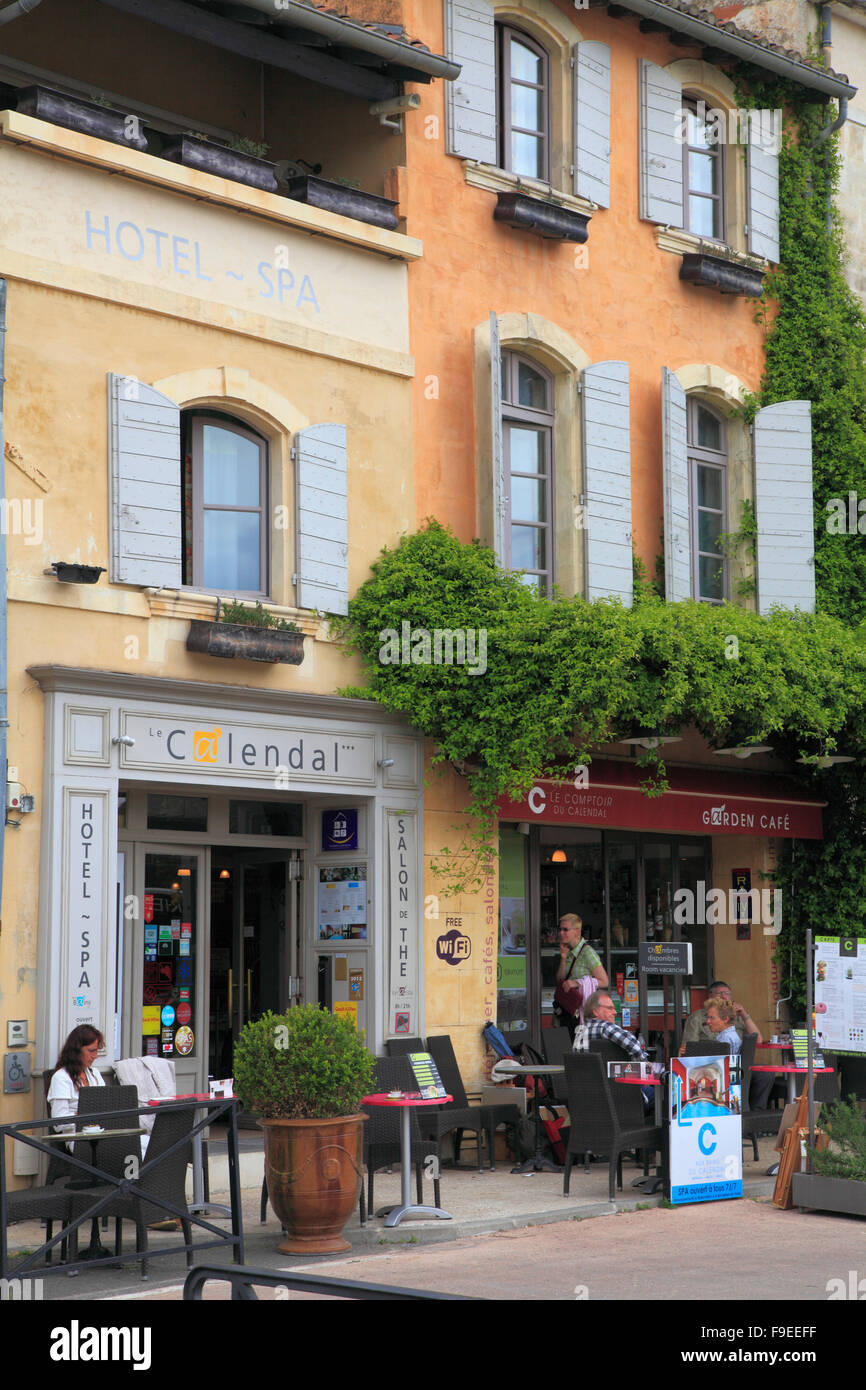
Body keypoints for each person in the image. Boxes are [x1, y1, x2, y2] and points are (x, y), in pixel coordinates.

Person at [47, 1024, 106, 1142]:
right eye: (91, 1051)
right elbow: (59, 1123)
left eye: (97, 1051)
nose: (95, 1056)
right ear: (77, 1050)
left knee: (144, 1144)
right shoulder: (61, 1077)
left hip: (101, 1132)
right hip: (77, 1138)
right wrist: (84, 1114)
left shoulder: (95, 1073)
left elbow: (105, 1103)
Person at [679, 980, 762, 1054]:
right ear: (710, 996)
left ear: (726, 1019)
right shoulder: (697, 1017)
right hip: (707, 1061)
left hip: (729, 1064)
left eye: (727, 993)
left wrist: (744, 1014)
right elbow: (688, 1048)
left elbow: (758, 1040)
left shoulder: (738, 1016)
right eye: (719, 993)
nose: (724, 996)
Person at [573, 991, 648, 1062]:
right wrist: (646, 1063)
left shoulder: (580, 1031)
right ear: (595, 1011)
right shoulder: (605, 1027)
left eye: (614, 1009)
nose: (615, 1012)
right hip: (612, 1074)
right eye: (610, 1008)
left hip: (585, 1074)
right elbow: (635, 1047)